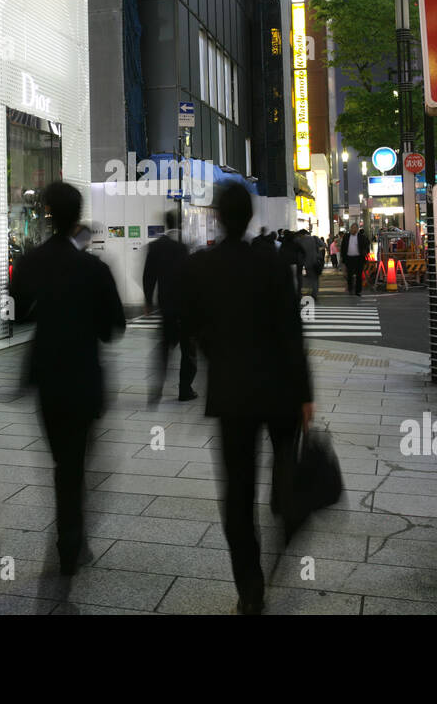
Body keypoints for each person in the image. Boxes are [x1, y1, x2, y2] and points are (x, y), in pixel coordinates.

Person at [181, 182, 312, 615]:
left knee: (237, 494)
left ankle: (250, 588)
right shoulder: (272, 265)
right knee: (285, 471)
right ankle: (287, 516)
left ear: (218, 216)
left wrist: (216, 352)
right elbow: (293, 333)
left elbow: (192, 328)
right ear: (252, 216)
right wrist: (305, 394)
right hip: (279, 391)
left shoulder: (203, 267)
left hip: (233, 393)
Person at [10, 182, 126, 576]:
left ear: (46, 213)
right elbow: (114, 328)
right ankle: (71, 539)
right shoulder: (94, 268)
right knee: (75, 461)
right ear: (77, 217)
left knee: (63, 460)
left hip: (47, 375)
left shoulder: (31, 262)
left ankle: (69, 537)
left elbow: (17, 313)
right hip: (84, 375)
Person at [143, 209, 197, 403]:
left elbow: (148, 276)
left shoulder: (155, 247)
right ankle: (185, 390)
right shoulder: (183, 248)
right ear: (179, 224)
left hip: (166, 306)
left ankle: (156, 388)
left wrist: (148, 301)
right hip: (185, 307)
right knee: (188, 349)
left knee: (165, 347)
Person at [341, 222, 370, 297]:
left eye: (355, 228)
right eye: (352, 228)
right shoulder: (346, 236)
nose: (353, 229)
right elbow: (343, 248)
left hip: (359, 258)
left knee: (359, 275)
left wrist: (365, 253)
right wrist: (343, 259)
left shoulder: (361, 237)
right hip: (349, 258)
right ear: (350, 229)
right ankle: (350, 289)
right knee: (349, 275)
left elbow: (367, 245)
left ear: (357, 229)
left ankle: (358, 291)